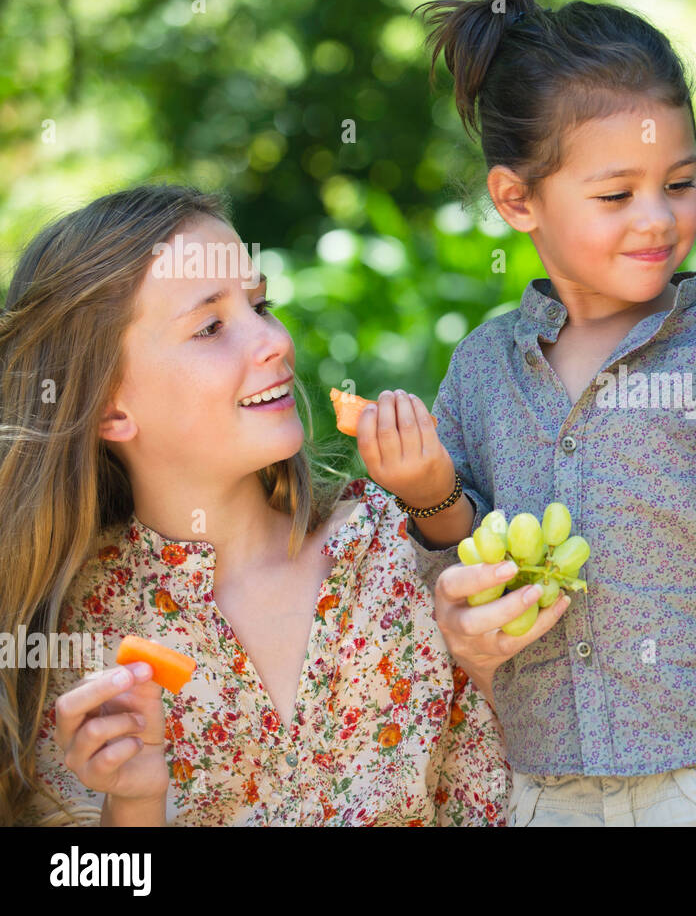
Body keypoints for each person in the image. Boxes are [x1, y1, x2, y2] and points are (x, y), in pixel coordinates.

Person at [404, 0, 696, 826]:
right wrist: (430, 491)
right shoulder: (481, 372)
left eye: (678, 183)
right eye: (616, 196)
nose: (657, 218)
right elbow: (457, 582)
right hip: (548, 785)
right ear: (517, 200)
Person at [2, 185, 509, 826]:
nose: (274, 342)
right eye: (210, 326)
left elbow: (531, 790)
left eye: (261, 305)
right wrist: (132, 804)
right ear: (109, 407)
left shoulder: (393, 551)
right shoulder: (77, 648)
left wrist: (440, 509)